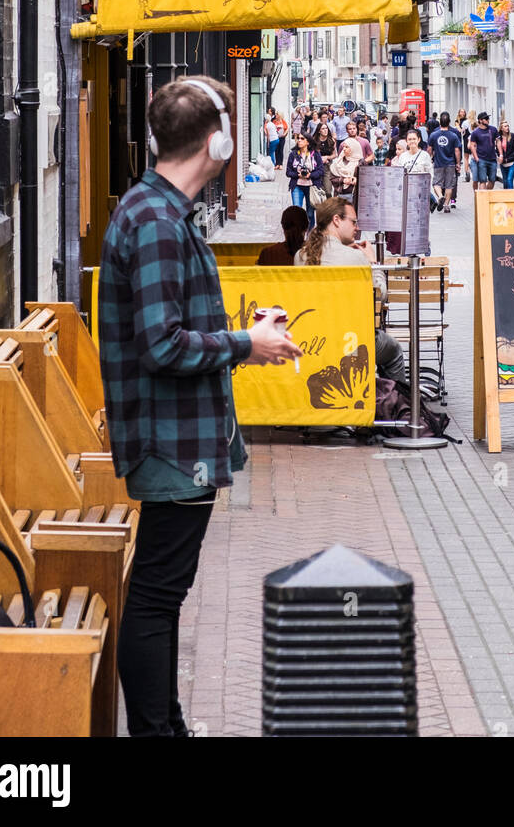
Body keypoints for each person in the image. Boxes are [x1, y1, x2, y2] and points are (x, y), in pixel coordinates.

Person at [99, 76, 302, 737]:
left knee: (162, 592)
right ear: (218, 140)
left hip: (174, 439)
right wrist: (248, 342)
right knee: (158, 596)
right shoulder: (156, 220)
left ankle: (168, 726)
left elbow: (171, 326)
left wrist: (246, 333)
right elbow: (161, 344)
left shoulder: (154, 211)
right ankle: (158, 731)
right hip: (172, 444)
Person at [295, 198, 406, 382]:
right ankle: (395, 405)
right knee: (394, 351)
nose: (357, 227)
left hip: (313, 340)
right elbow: (380, 296)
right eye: (353, 222)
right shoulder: (355, 258)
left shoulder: (300, 256)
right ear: (336, 220)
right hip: (351, 341)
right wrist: (372, 263)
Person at [285, 132, 323, 229]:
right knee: (297, 211)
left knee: (310, 214)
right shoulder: (293, 154)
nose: (299, 140)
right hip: (297, 186)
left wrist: (310, 175)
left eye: (302, 139)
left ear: (308, 142)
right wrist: (297, 175)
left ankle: (309, 235)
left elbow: (320, 171)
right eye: (298, 138)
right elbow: (288, 172)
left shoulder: (315, 154)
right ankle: (298, 234)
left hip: (311, 187)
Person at [428, 112, 463, 213]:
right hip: (450, 164)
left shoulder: (434, 135)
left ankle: (440, 196)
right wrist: (457, 163)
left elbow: (429, 149)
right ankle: (446, 205)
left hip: (438, 163)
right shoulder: (453, 135)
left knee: (436, 183)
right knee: (449, 185)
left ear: (440, 122)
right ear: (449, 122)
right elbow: (457, 151)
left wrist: (429, 159)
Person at [469, 112, 498, 190]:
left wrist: (500, 154)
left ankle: (485, 195)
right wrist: (476, 158)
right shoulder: (475, 132)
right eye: (486, 119)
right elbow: (472, 145)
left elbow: (498, 141)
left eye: (488, 118)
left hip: (492, 159)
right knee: (482, 180)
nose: (488, 120)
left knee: (492, 180)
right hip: (481, 159)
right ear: (480, 120)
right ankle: (482, 199)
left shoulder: (493, 129)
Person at [495, 119, 514, 190]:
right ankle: (505, 198)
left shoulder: (513, 136)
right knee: (505, 182)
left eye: (507, 126)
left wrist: (508, 159)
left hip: (513, 163)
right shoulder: (499, 139)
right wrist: (500, 158)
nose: (507, 127)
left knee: (509, 180)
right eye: (505, 126)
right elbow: (497, 149)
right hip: (503, 164)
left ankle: (511, 198)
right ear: (501, 128)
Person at [313, 123, 337, 193]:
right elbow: (311, 154)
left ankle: (328, 202)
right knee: (319, 189)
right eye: (323, 129)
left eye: (326, 128)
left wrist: (327, 157)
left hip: (328, 166)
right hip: (316, 167)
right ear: (319, 131)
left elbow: (335, 155)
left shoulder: (331, 140)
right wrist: (320, 159)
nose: (325, 130)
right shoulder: (314, 140)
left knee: (328, 190)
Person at [457, 108, 472, 182]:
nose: (462, 113)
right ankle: (468, 172)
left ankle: (467, 172)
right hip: (468, 139)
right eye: (461, 111)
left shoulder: (466, 121)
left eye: (464, 111)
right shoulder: (457, 121)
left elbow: (461, 131)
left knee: (466, 157)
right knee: (468, 156)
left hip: (466, 139)